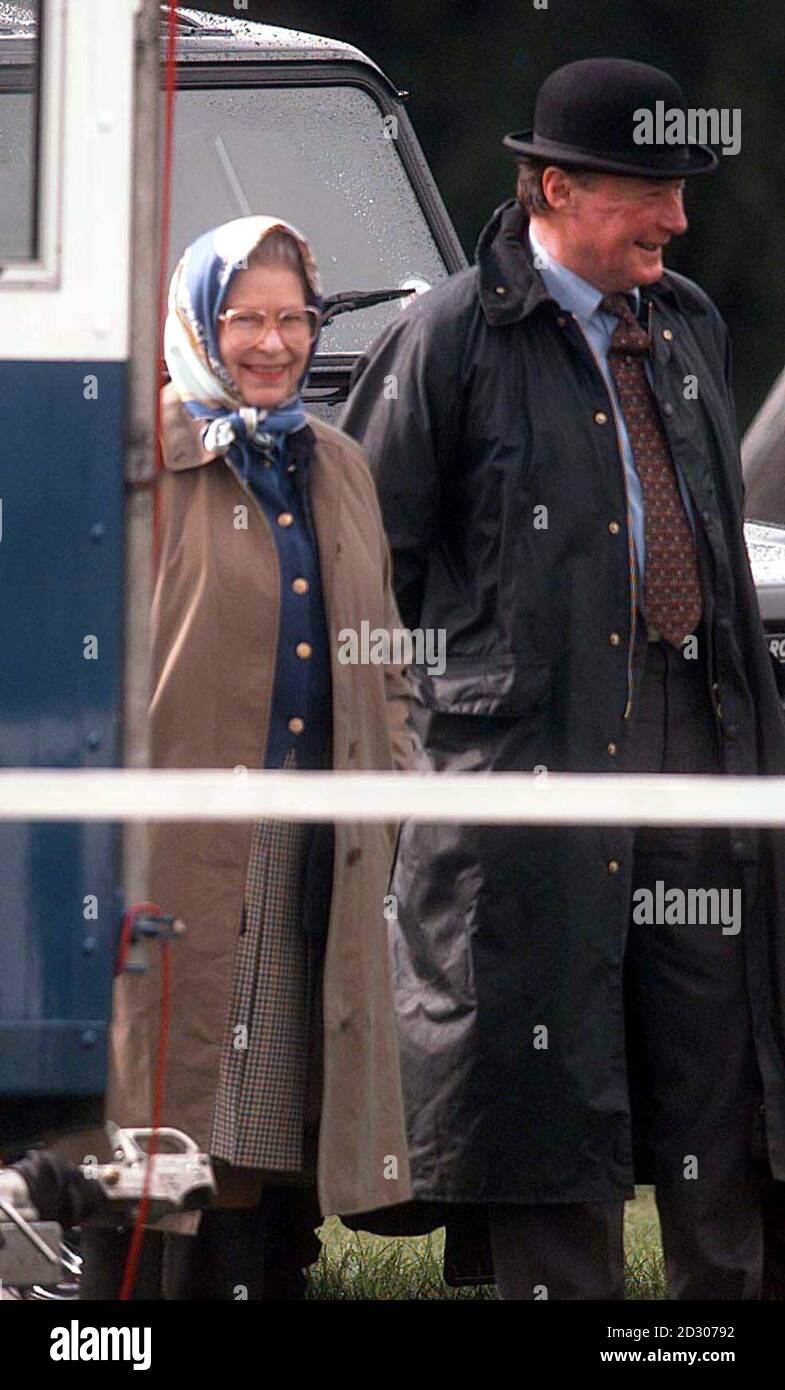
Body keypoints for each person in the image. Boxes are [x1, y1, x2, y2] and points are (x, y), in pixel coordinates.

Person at [340, 58, 785, 1300]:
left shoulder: (687, 319)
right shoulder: (444, 338)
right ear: (550, 186)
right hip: (527, 771)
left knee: (719, 1065)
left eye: (683, 191)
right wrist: (444, 729)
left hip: (696, 745)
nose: (677, 221)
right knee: (543, 1069)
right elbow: (370, 567)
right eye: (649, 192)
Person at [77, 215, 417, 1299]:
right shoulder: (140, 460)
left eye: (292, 319)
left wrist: (395, 780)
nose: (274, 344)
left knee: (264, 1144)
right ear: (197, 323)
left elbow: (386, 656)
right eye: (246, 320)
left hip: (315, 847)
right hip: (176, 854)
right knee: (156, 1134)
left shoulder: (339, 465)